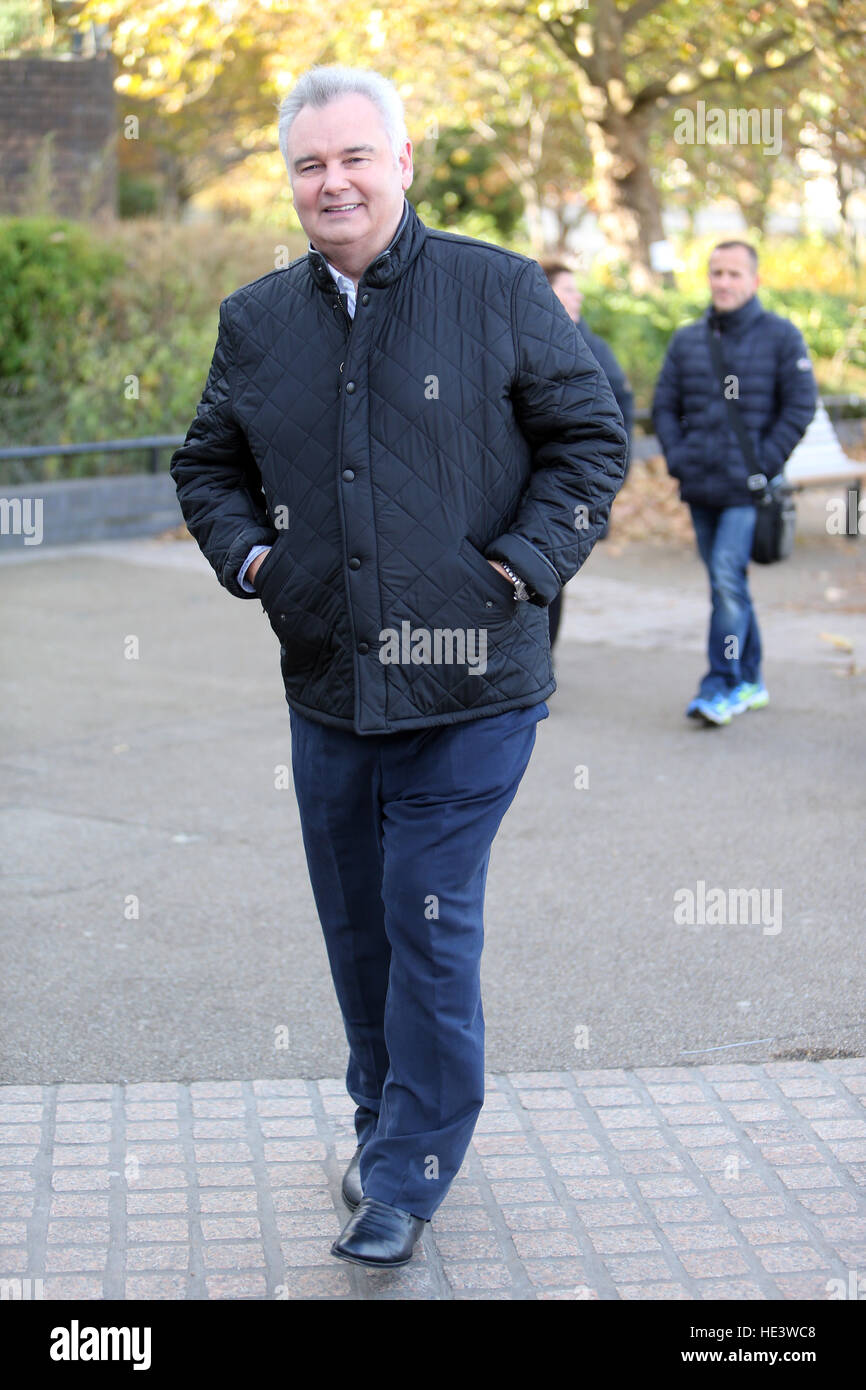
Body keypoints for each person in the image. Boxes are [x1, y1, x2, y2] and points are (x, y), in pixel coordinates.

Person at [170, 65, 627, 1270]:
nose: (334, 181)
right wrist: (256, 564)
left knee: (423, 913)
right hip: (328, 682)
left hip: (474, 686)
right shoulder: (257, 318)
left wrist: (520, 567)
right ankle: (383, 1125)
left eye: (355, 156)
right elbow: (203, 466)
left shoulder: (498, 290)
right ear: (292, 180)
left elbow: (590, 436)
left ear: (402, 163)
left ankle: (410, 1171)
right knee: (356, 925)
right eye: (311, 164)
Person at [652, 240, 816, 726]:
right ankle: (751, 679)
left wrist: (762, 464)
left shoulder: (782, 337)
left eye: (734, 274)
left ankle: (719, 684)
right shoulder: (687, 340)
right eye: (716, 272)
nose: (723, 282)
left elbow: (800, 406)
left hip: (746, 489)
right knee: (729, 585)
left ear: (754, 281)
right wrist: (679, 458)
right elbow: (663, 406)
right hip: (700, 485)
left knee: (725, 581)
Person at [541, 262, 634, 651]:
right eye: (567, 288)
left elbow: (621, 411)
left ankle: (544, 658)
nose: (577, 296)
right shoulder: (519, 339)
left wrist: (609, 481)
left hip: (567, 486)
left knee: (548, 574)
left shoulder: (591, 346)